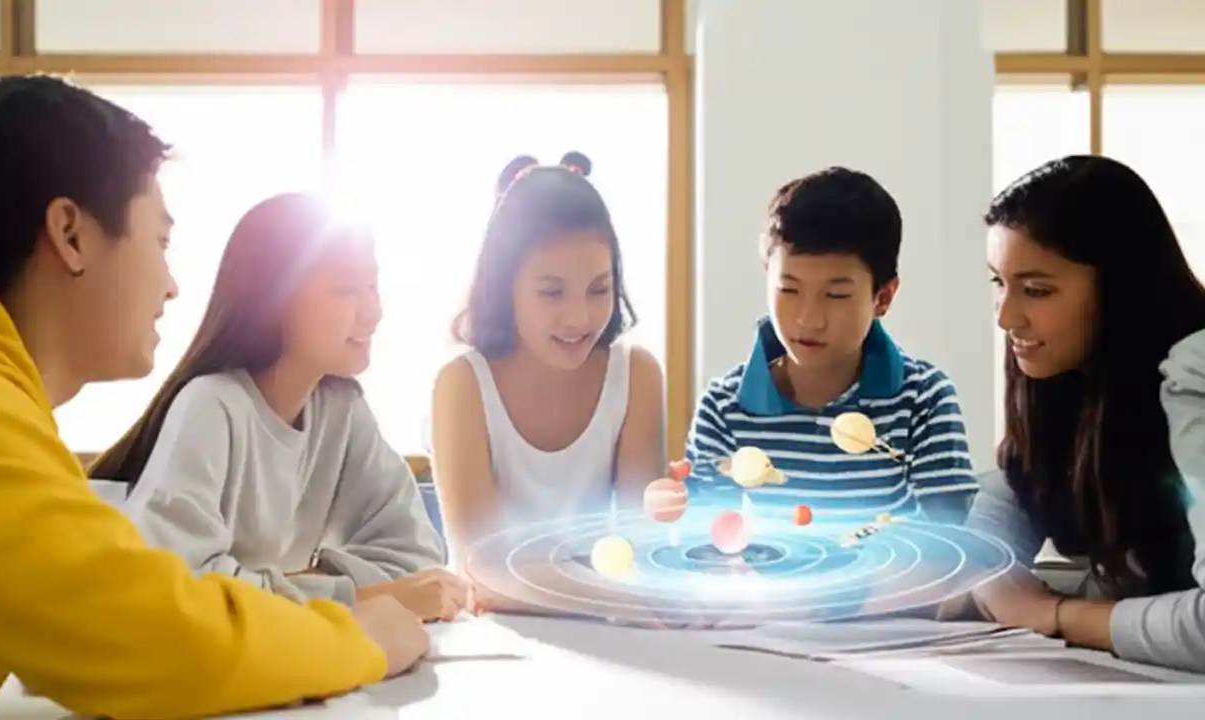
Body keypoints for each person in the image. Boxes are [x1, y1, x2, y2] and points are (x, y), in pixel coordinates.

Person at [0, 76, 426, 720]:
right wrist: (354, 633)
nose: (172, 285)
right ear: (70, 234)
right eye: (160, 241)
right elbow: (139, 634)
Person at [92, 192, 469, 623]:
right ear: (275, 296)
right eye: (347, 289)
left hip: (269, 662)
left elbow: (418, 560)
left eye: (372, 286)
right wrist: (352, 598)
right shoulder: (213, 404)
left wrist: (308, 587)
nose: (373, 311)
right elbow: (180, 589)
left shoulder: (341, 411)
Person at [964, 155, 1205, 672]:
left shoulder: (1197, 376)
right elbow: (991, 525)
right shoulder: (1072, 386)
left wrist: (1055, 614)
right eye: (998, 282)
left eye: (1037, 290)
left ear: (1122, 288)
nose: (1006, 316)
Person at [685, 167, 977, 524]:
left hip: (900, 580)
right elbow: (706, 542)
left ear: (883, 297)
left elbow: (952, 545)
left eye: (836, 295)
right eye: (788, 290)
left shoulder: (923, 399)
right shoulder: (725, 408)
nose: (809, 319)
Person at [431, 152, 665, 568]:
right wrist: (602, 595)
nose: (580, 318)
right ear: (506, 287)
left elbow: (642, 547)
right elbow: (480, 567)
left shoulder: (636, 375)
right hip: (493, 625)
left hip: (605, 619)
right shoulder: (462, 384)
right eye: (552, 293)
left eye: (599, 290)